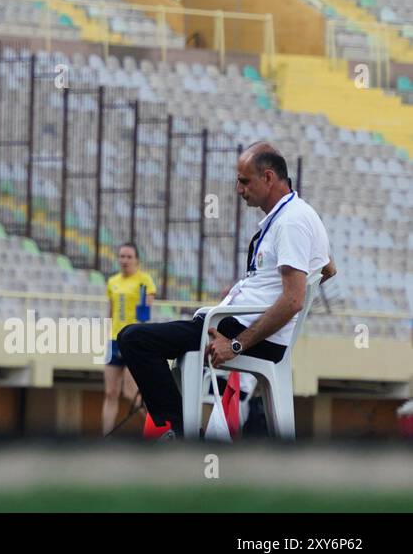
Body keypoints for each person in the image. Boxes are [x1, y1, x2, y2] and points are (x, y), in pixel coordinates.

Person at [118, 145, 336, 439]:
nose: (238, 189)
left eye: (244, 181)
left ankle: (179, 433)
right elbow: (327, 269)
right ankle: (180, 429)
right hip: (235, 323)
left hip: (244, 332)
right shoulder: (297, 214)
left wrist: (236, 344)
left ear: (268, 177)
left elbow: (294, 300)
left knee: (135, 339)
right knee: (152, 340)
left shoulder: (292, 221)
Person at [102, 242, 154, 435]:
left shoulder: (145, 281)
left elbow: (145, 314)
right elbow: (110, 310)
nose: (124, 260)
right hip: (113, 341)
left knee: (131, 393)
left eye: (129, 257)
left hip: (132, 341)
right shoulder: (112, 282)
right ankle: (105, 436)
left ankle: (159, 428)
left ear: (137, 260)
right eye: (121, 256)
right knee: (110, 392)